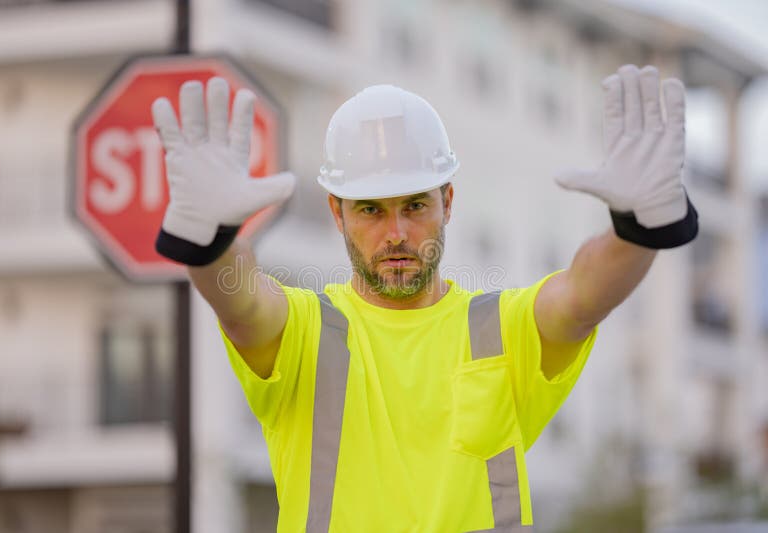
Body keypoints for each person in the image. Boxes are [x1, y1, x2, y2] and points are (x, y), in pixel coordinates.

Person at [150, 64, 698, 533]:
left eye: (415, 205)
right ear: (336, 212)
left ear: (448, 202)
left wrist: (639, 230)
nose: (395, 233)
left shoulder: (498, 332)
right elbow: (241, 300)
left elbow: (583, 294)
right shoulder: (305, 331)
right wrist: (211, 244)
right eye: (370, 209)